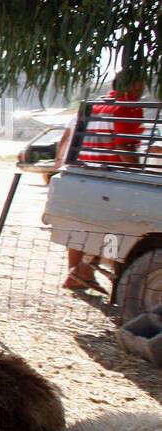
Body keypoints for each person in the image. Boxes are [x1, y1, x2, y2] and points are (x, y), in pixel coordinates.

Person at [62, 70, 147, 292]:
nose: (144, 87)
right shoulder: (128, 106)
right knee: (115, 230)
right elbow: (123, 147)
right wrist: (140, 173)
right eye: (142, 82)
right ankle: (86, 270)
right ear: (134, 84)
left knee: (81, 227)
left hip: (85, 173)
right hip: (112, 177)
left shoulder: (97, 105)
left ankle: (76, 273)